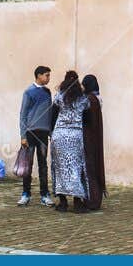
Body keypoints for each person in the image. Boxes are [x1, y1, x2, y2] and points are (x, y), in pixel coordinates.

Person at [49, 70, 90, 212]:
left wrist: (51, 133)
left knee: (60, 169)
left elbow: (52, 116)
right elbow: (87, 119)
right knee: (75, 169)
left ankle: (63, 203)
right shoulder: (83, 99)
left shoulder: (59, 97)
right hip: (75, 137)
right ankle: (77, 202)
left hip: (59, 135)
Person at [17, 65, 56, 206]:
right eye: (46, 75)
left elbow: (50, 113)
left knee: (43, 164)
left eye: (49, 75)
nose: (48, 78)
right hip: (30, 133)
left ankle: (45, 195)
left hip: (44, 134)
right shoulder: (29, 92)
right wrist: (23, 135)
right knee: (28, 165)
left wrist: (51, 131)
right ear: (39, 75)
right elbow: (23, 114)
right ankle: (25, 194)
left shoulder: (47, 92)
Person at [81, 74, 106, 211]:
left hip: (88, 138)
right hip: (95, 137)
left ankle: (91, 200)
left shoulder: (89, 100)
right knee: (94, 167)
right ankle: (94, 199)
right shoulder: (97, 98)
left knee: (89, 168)